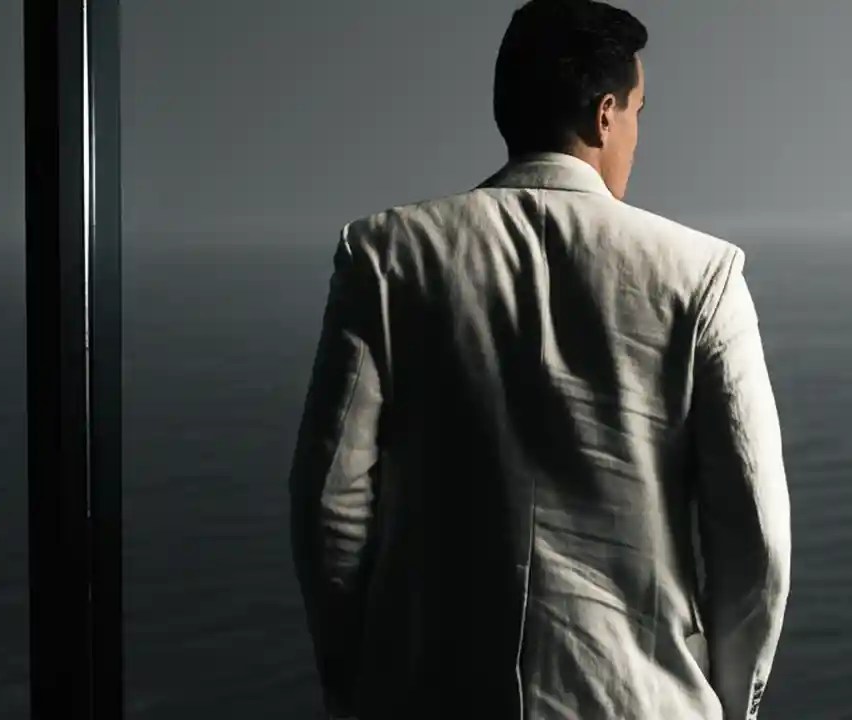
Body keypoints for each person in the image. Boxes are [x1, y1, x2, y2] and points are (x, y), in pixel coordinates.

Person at [286, 1, 790, 718]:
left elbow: (330, 502)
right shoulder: (701, 274)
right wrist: (730, 703)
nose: (637, 136)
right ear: (605, 114)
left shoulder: (386, 255)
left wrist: (354, 681)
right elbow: (755, 535)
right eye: (641, 111)